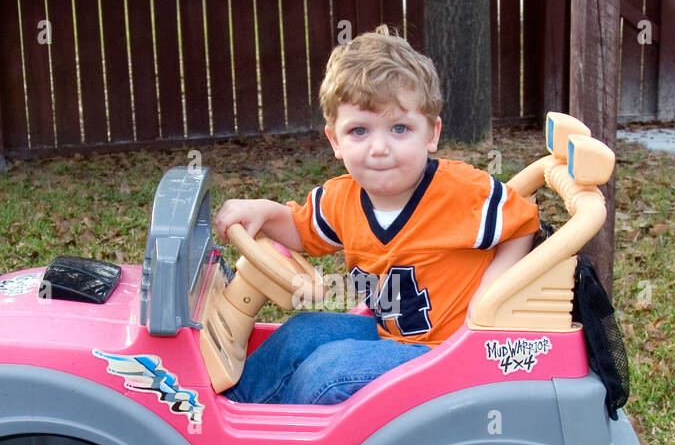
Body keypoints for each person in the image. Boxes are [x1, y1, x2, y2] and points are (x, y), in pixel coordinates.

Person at [215, 25, 539, 405]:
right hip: (391, 336)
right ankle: (232, 411)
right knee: (302, 332)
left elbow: (524, 222)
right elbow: (302, 231)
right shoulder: (341, 197)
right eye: (359, 131)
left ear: (431, 135)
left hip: (449, 354)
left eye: (400, 128)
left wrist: (489, 296)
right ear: (335, 140)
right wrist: (262, 211)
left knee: (330, 372)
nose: (380, 148)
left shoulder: (464, 193)